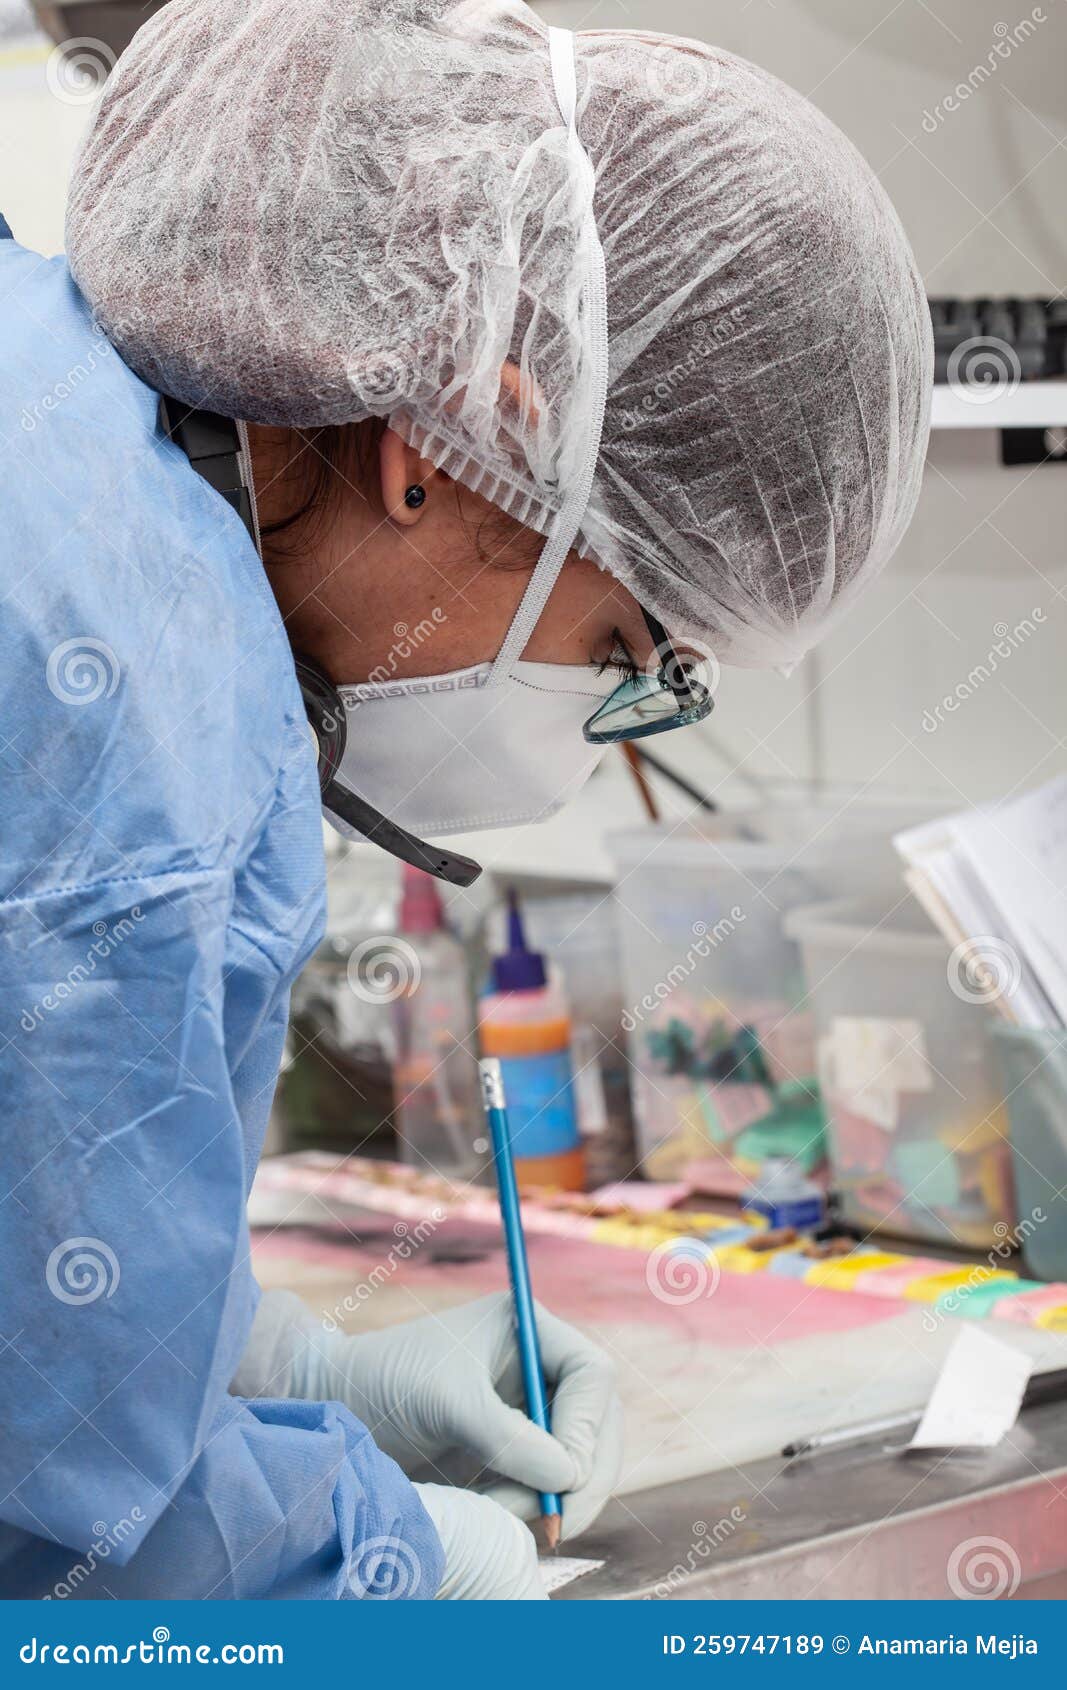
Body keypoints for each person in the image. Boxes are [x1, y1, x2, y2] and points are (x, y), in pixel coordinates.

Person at [0, 0, 931, 1600]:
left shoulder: (54, 433)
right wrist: (389, 1564)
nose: (602, 711)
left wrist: (270, 1361)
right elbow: (76, 1564)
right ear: (458, 443)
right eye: (628, 647)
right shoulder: (135, 735)